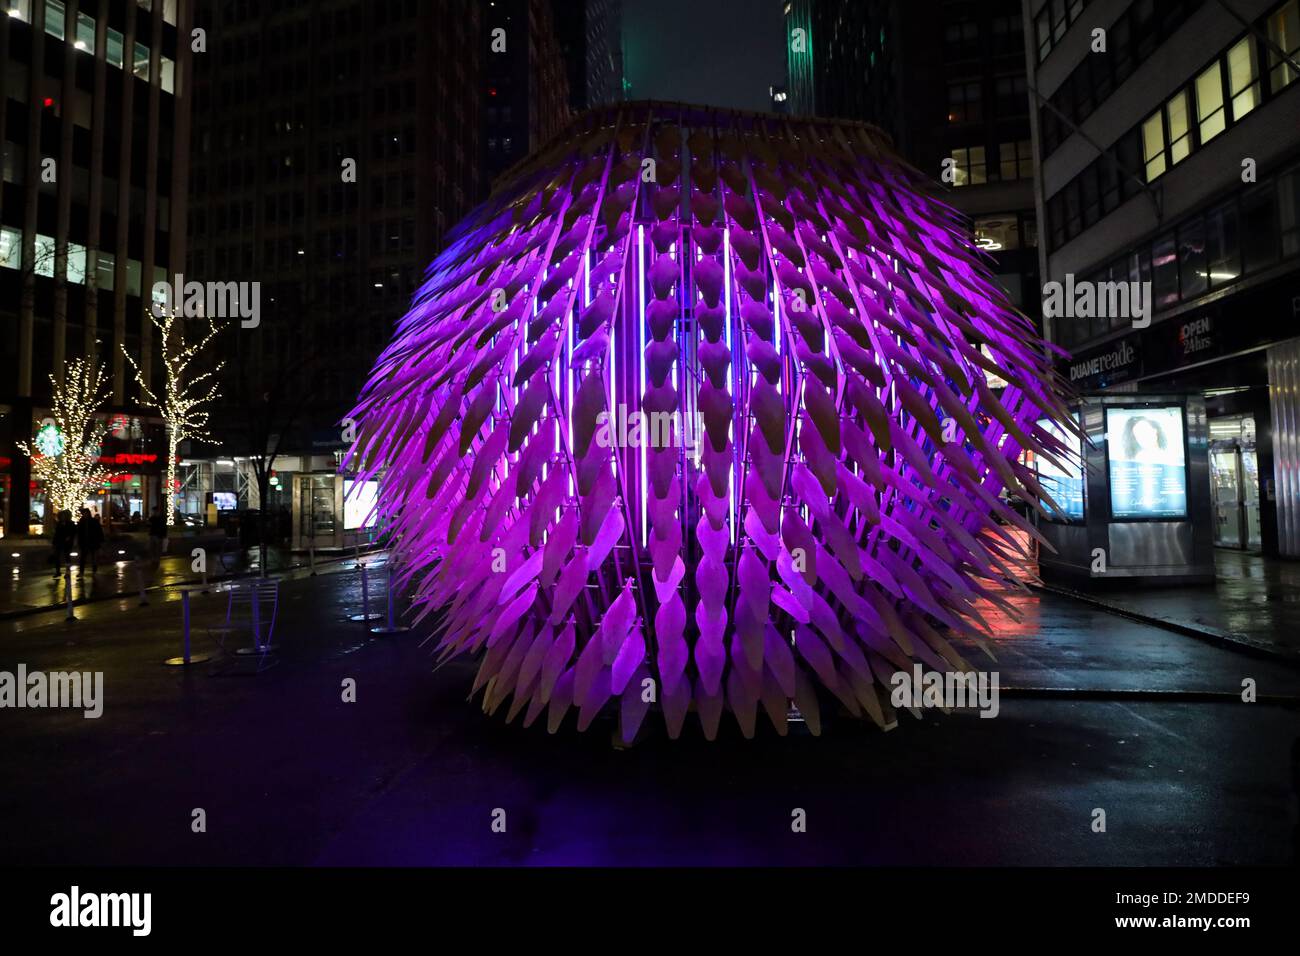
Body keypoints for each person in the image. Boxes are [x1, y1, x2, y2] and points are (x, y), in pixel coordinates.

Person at [76, 507, 104, 575]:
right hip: (85, 542)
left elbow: (99, 531)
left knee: (92, 557)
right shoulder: (81, 522)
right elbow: (79, 532)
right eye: (84, 513)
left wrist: (100, 540)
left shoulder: (93, 521)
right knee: (83, 558)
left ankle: (93, 569)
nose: (85, 515)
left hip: (92, 541)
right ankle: (82, 571)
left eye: (86, 513)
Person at [51, 510, 76, 577]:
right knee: (57, 557)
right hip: (59, 542)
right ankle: (58, 571)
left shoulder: (70, 523)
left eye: (64, 516)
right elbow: (56, 534)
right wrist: (54, 542)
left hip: (67, 543)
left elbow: (73, 532)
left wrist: (69, 537)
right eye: (62, 516)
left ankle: (67, 572)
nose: (63, 517)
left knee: (67, 557)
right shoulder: (59, 523)